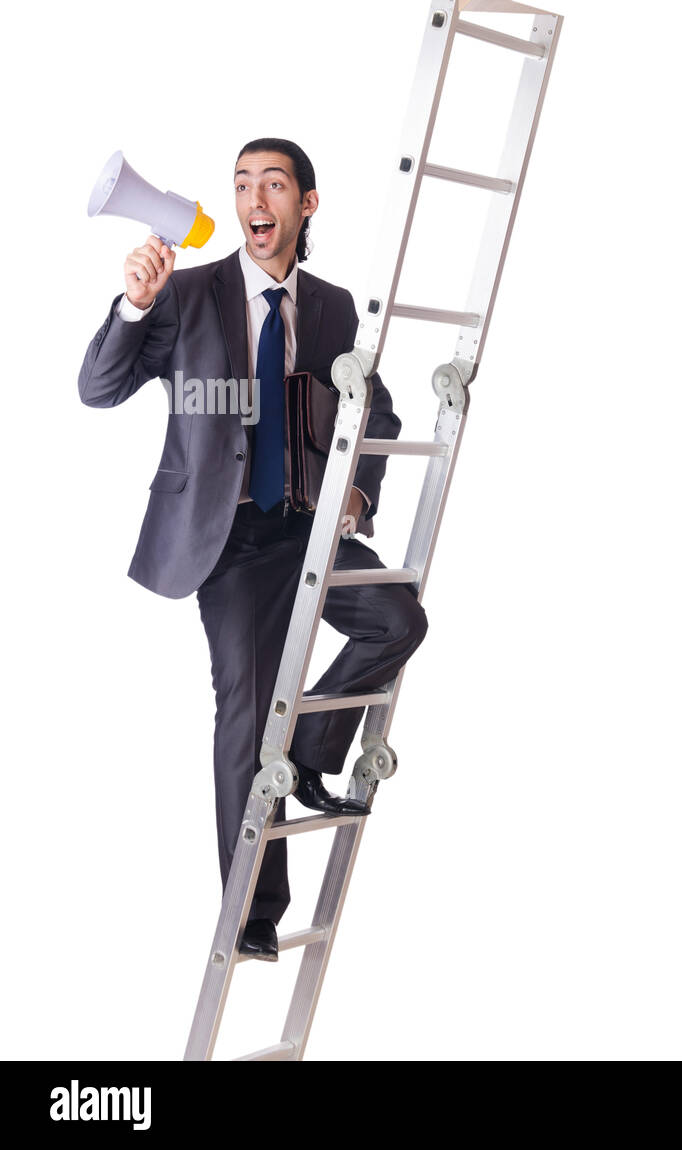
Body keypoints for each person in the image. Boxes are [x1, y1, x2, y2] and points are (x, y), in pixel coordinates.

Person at [78, 138, 429, 961]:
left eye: (273, 184)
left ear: (306, 204)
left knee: (398, 620)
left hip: (310, 531)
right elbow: (98, 388)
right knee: (246, 706)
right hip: (228, 542)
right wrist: (134, 306)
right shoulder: (188, 295)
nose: (253, 198)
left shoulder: (337, 307)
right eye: (241, 185)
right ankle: (253, 910)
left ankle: (312, 751)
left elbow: (375, 416)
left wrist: (358, 490)